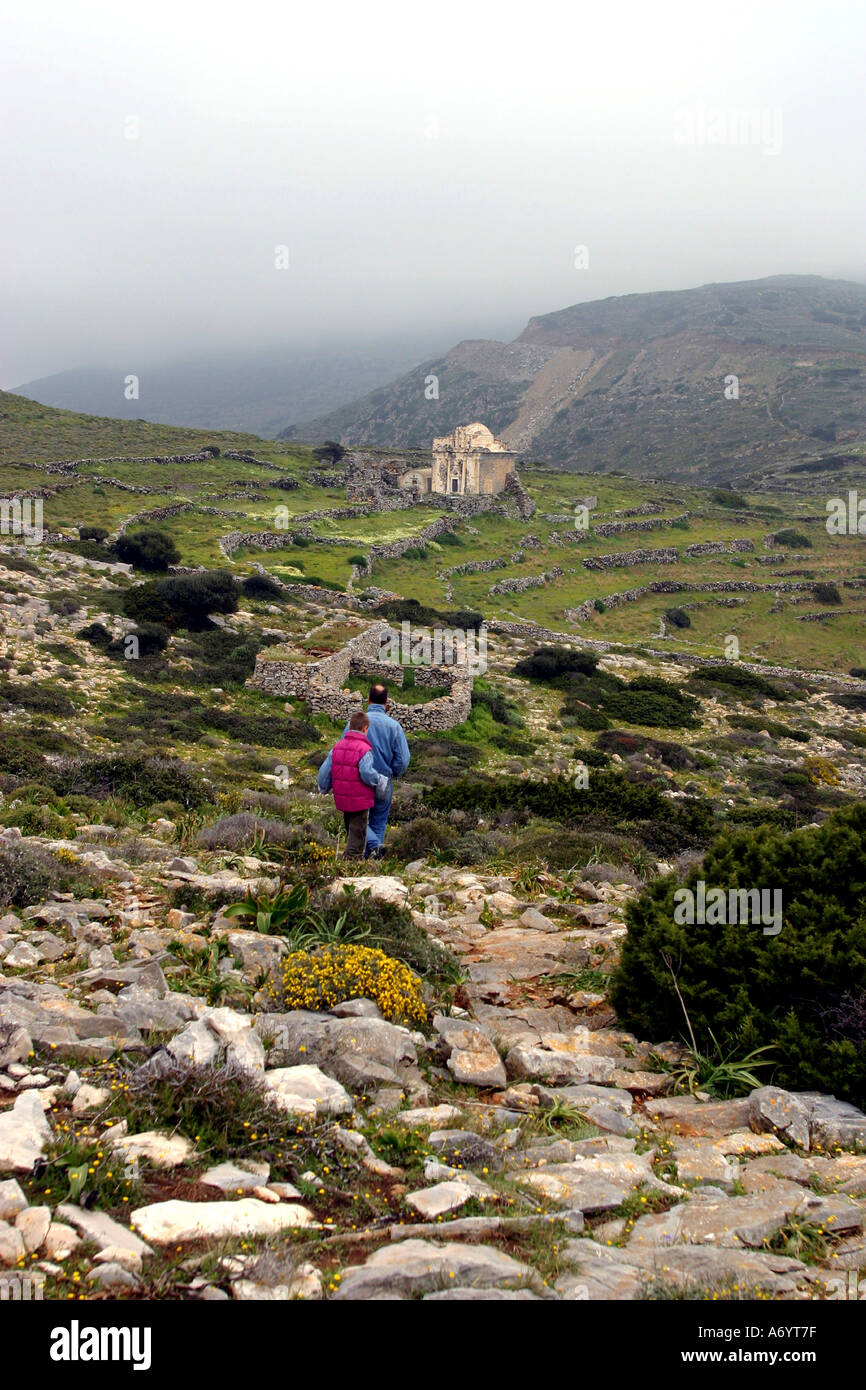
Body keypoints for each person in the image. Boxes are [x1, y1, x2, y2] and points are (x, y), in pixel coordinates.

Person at [316, 683, 410, 858]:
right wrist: (393, 773)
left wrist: (326, 782)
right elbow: (403, 761)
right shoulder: (394, 726)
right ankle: (375, 857)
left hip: (357, 781)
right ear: (387, 702)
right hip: (383, 780)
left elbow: (342, 752)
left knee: (355, 819)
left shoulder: (354, 724)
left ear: (368, 699)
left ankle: (371, 851)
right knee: (379, 821)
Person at [316, 711, 389, 858]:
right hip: (359, 799)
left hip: (342, 798)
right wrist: (380, 779)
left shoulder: (337, 747)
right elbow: (367, 773)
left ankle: (352, 856)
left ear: (349, 727)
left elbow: (325, 771)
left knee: (350, 828)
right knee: (358, 833)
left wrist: (323, 787)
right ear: (365, 729)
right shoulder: (364, 750)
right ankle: (351, 862)